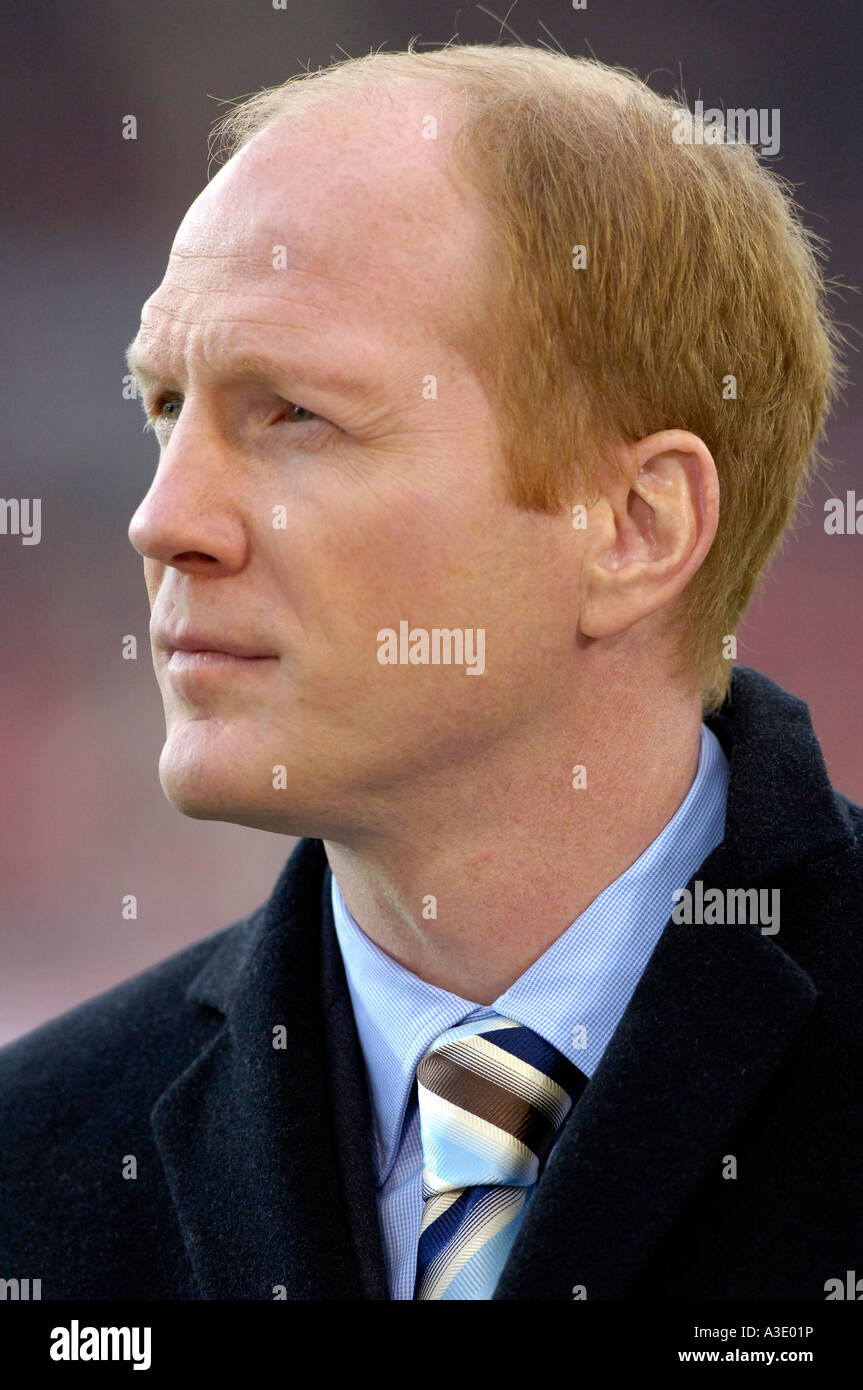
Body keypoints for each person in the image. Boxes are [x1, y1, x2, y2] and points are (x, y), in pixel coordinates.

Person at [1, 44, 860, 1302]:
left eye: (293, 414)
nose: (160, 517)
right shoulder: (36, 1166)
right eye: (162, 407)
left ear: (632, 526)